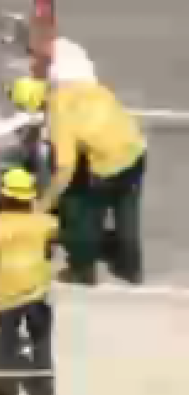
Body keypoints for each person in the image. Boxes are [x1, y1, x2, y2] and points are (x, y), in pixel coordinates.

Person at [21, 38, 148, 286]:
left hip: (107, 166)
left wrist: (44, 204)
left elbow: (65, 168)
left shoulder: (58, 111)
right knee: (127, 214)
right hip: (135, 151)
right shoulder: (83, 85)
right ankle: (131, 268)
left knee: (84, 213)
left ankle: (82, 270)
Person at [0, 168, 60, 395]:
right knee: (41, 341)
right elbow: (54, 236)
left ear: (3, 195)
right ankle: (44, 391)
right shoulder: (43, 223)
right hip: (37, 292)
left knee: (7, 344)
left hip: (6, 296)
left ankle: (5, 394)